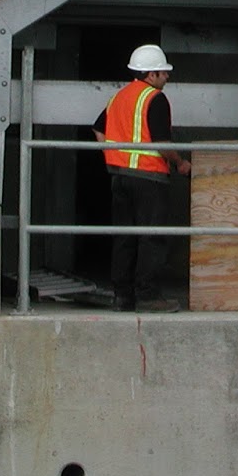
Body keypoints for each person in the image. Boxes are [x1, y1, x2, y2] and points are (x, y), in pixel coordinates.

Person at [93, 43, 191, 312]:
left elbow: (98, 130)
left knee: (124, 237)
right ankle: (148, 296)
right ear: (151, 75)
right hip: (149, 178)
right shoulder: (154, 99)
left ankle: (122, 297)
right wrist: (181, 163)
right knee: (152, 237)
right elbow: (161, 142)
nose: (167, 77)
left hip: (120, 177)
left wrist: (113, 156)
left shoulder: (119, 97)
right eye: (163, 72)